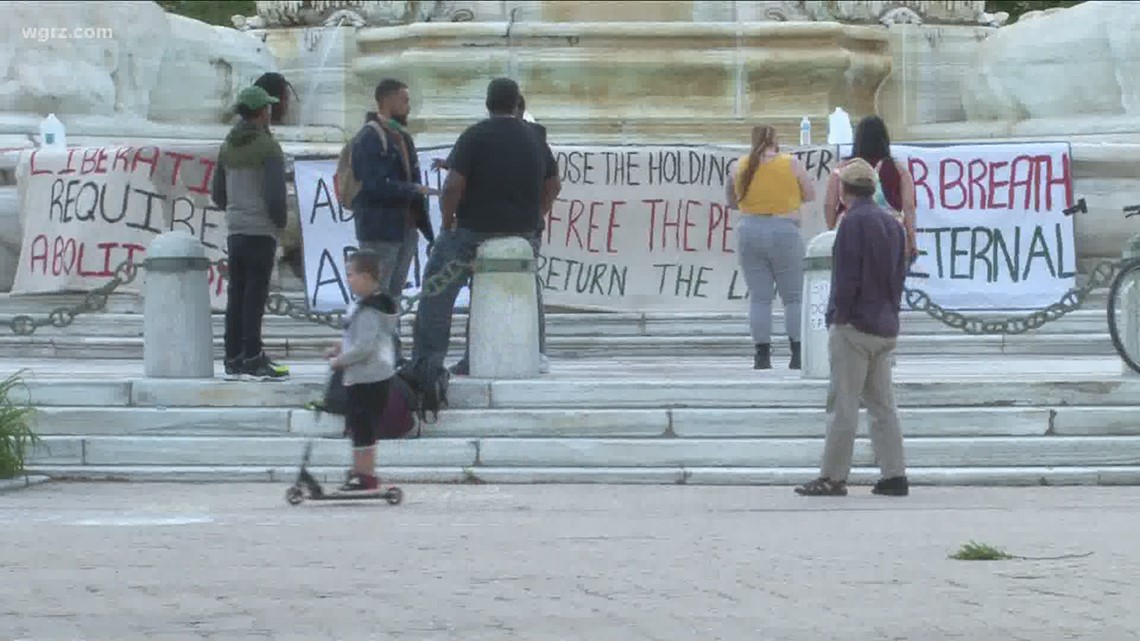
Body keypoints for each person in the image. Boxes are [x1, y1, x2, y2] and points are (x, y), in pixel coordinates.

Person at [409, 78, 559, 380]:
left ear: (488, 104)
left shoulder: (474, 135)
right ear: (517, 103)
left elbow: (453, 185)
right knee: (530, 289)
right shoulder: (535, 139)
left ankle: (427, 361)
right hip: (524, 232)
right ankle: (535, 352)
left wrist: (448, 223)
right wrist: (536, 214)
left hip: (472, 231)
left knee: (437, 293)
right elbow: (553, 186)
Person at [795, 159, 909, 498]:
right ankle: (894, 474)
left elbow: (846, 277)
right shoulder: (893, 224)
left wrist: (837, 316)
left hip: (855, 325)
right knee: (882, 405)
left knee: (843, 403)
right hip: (885, 325)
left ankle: (832, 476)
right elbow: (899, 274)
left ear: (844, 191)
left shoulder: (852, 224)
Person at [350, 78, 436, 358]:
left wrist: (427, 230)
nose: (408, 107)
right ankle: (370, 349)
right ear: (387, 102)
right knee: (375, 291)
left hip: (404, 228)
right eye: (405, 101)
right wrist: (412, 189)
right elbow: (373, 184)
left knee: (393, 294)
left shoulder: (402, 136)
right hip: (380, 228)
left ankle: (389, 350)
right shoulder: (369, 137)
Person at [211, 85, 290, 381]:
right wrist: (279, 222)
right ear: (260, 113)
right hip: (260, 230)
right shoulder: (268, 147)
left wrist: (234, 209)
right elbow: (275, 195)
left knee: (237, 295)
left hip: (236, 229)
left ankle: (233, 357)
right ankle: (254, 356)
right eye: (267, 109)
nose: (270, 113)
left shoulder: (227, 146)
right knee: (255, 297)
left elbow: (217, 192)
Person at [725, 124, 816, 370]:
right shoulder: (792, 163)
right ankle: (797, 353)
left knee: (760, 297)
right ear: (776, 140)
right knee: (794, 297)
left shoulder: (739, 166)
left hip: (749, 231)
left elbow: (732, 202)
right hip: (785, 229)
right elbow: (810, 194)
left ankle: (762, 355)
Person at [325, 251, 400, 493]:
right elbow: (359, 339)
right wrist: (339, 347)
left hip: (369, 375)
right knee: (360, 426)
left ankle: (365, 475)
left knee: (363, 427)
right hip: (367, 374)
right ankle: (361, 471)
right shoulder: (365, 305)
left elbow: (365, 348)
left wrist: (340, 361)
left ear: (367, 277)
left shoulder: (370, 309)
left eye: (351, 274)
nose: (348, 279)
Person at [824, 115, 918, 261]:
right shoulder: (899, 169)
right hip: (889, 231)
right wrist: (911, 239)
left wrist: (832, 230)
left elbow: (830, 204)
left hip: (849, 229)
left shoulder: (842, 168)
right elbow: (909, 206)